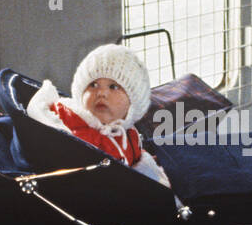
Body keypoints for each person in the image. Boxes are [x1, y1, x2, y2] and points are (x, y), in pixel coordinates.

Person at [26, 43, 171, 186]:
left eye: (113, 87)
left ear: (133, 105)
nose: (101, 93)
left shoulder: (130, 136)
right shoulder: (67, 123)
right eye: (93, 85)